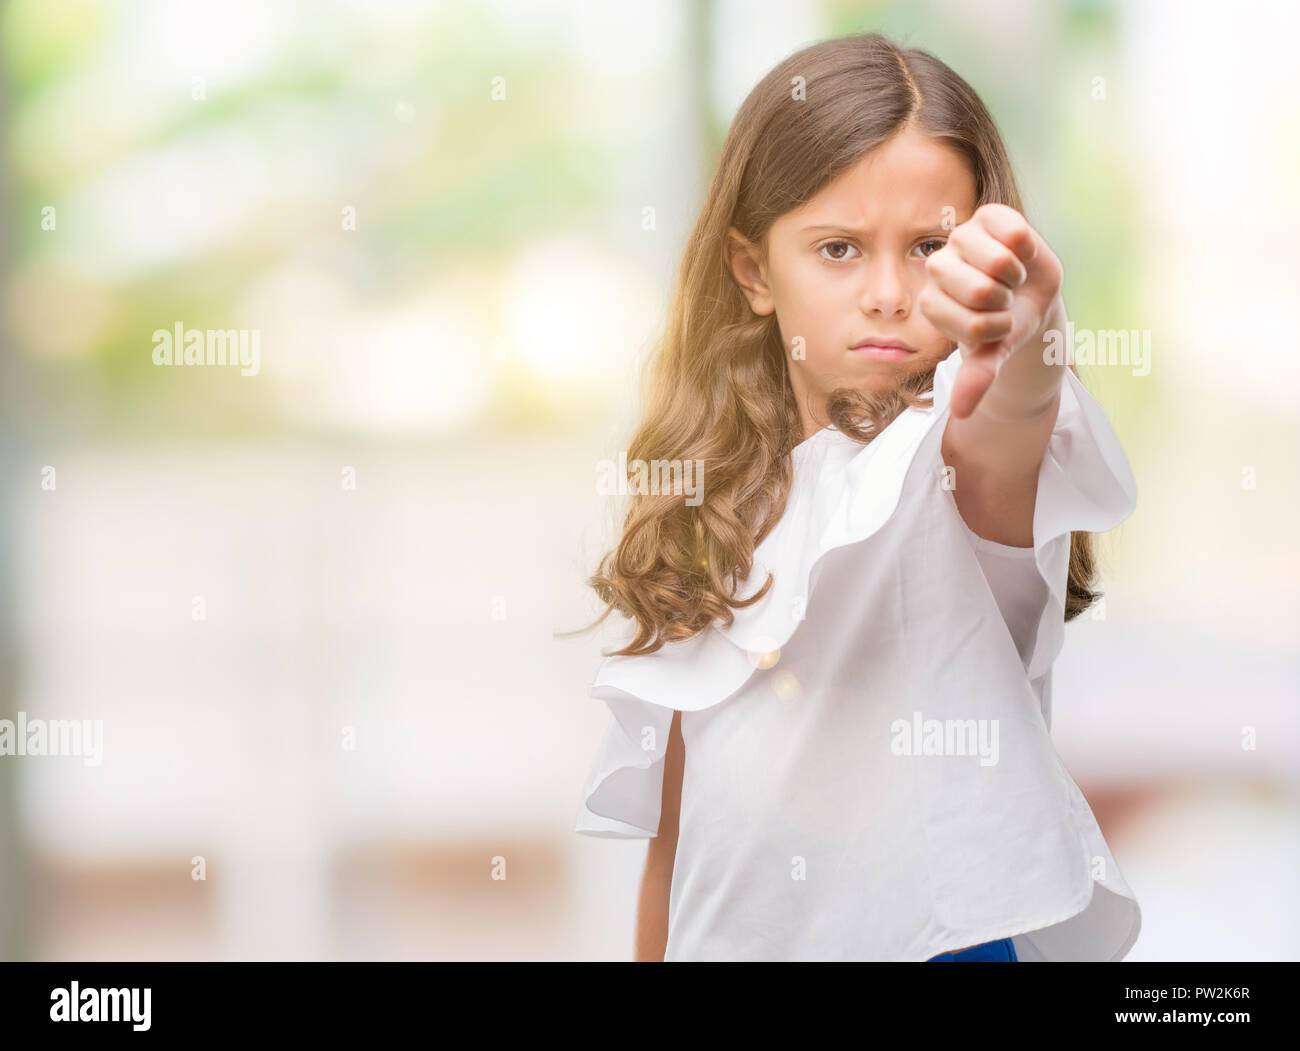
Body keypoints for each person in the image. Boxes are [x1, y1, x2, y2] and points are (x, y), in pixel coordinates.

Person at [569, 32, 1140, 962]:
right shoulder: (712, 518)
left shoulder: (952, 471)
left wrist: (1025, 320)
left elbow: (1011, 408)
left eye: (930, 247)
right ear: (754, 272)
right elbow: (675, 851)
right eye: (837, 248)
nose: (888, 292)